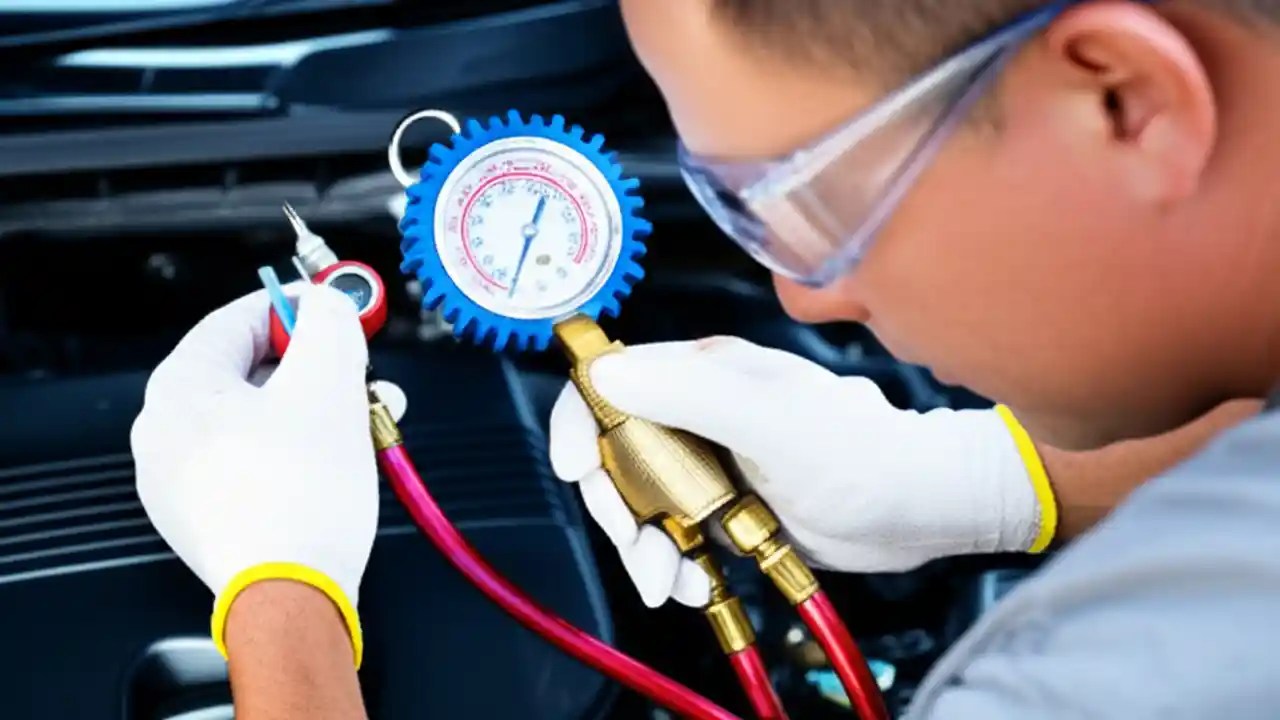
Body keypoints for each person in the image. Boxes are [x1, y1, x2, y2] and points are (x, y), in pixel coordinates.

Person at [127, 0, 1280, 717]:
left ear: (1123, 99)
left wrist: (282, 603)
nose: (799, 293)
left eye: (804, 199)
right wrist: (996, 479)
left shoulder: (1106, 679)